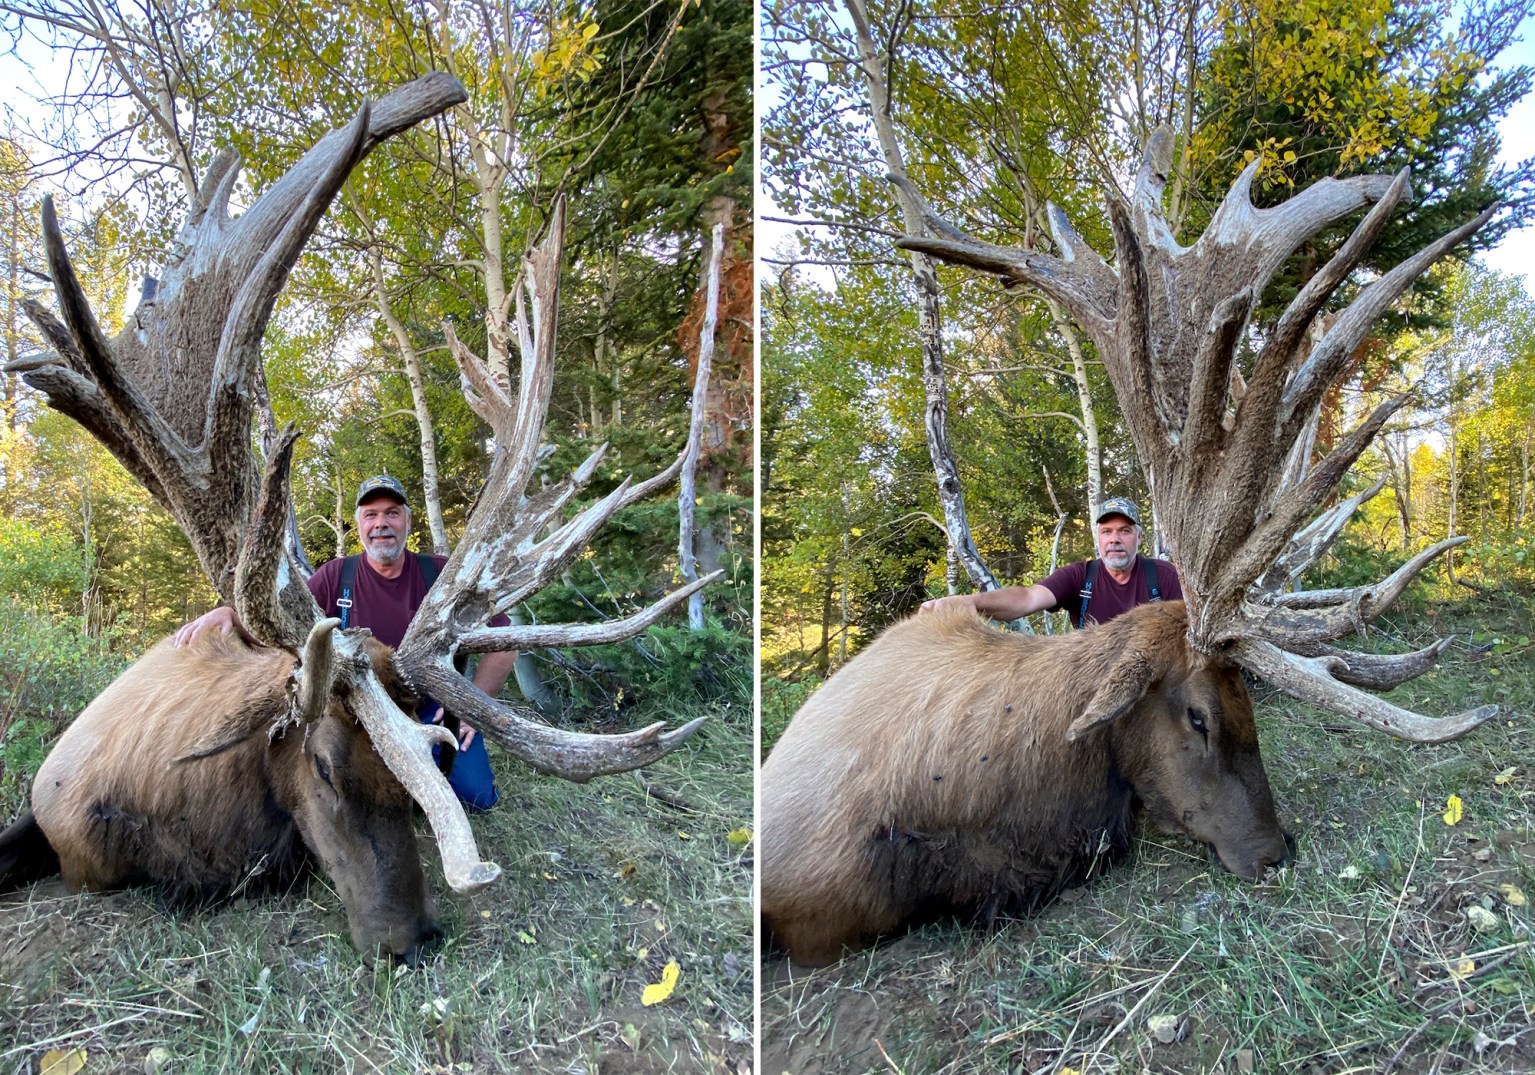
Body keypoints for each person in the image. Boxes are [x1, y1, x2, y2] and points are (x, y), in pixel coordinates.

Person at [175, 474, 516, 810]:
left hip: (430, 711)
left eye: (392, 513)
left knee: (476, 796)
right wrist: (233, 617)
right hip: (353, 716)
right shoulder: (336, 577)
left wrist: (470, 710)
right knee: (347, 793)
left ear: (408, 521)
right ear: (359, 525)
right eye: (371, 515)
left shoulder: (441, 574)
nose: (381, 523)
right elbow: (281, 630)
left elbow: (504, 641)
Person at [918, 497, 1182, 627]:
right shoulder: (1080, 577)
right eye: (1107, 532)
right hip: (1091, 683)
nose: (1115, 539)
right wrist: (970, 602)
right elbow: (1027, 599)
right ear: (1099, 538)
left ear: (1139, 537)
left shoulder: (1163, 576)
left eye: (1124, 531)